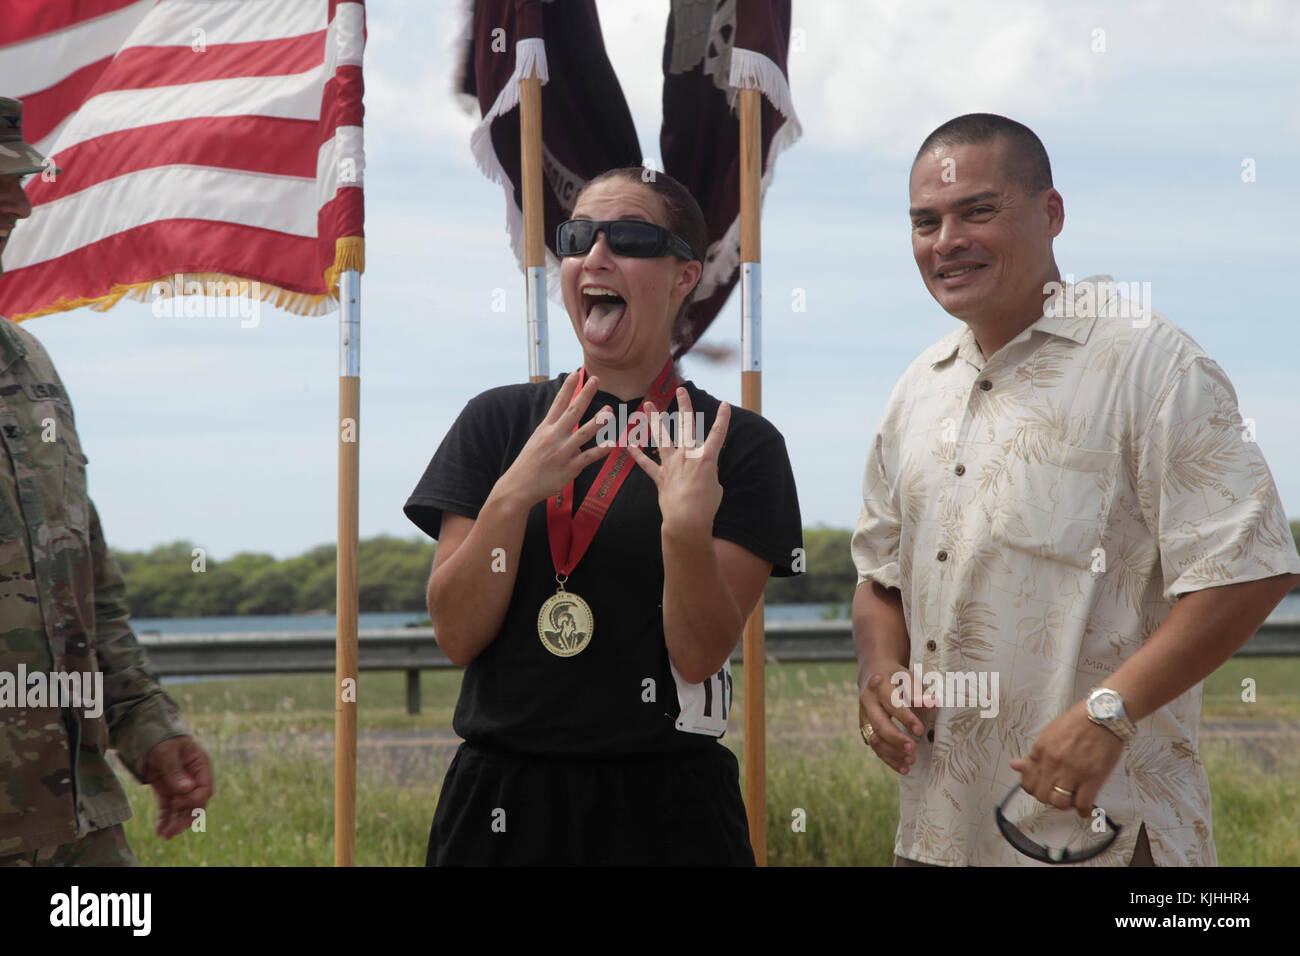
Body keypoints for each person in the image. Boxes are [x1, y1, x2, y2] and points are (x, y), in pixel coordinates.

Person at [850, 112, 1300, 867]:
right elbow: (879, 578)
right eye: (925, 221)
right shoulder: (916, 390)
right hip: (933, 832)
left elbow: (1250, 567)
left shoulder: (1152, 366)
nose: (946, 240)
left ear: (1051, 214)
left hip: (1101, 836)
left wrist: (1107, 715)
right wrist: (878, 670)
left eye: (978, 211)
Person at [404, 166, 803, 865]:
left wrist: (684, 532)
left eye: (630, 238)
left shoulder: (734, 443)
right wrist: (512, 494)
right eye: (579, 236)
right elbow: (455, 634)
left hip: (668, 806)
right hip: (502, 802)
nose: (595, 254)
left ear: (685, 275)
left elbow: (700, 654)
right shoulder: (498, 421)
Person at [0, 96, 213, 866]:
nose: (18, 206)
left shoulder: (29, 366)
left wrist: (146, 726)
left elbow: (84, 579)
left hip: (76, 820)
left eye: (17, 181)